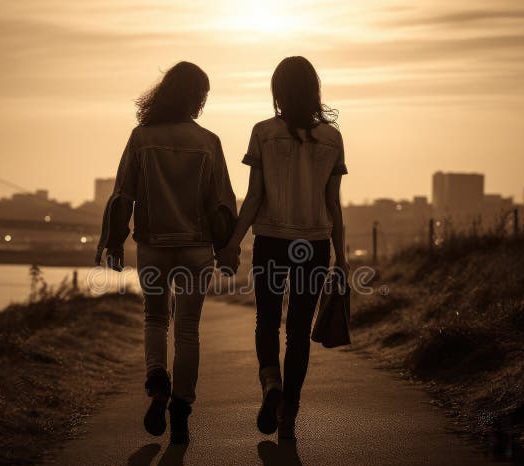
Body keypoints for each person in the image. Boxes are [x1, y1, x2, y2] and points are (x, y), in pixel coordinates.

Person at [97, 61, 237, 445]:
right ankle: (181, 407)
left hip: (153, 247)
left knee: (155, 319)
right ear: (198, 97)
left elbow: (122, 195)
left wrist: (112, 242)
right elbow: (223, 205)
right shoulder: (209, 141)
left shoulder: (142, 138)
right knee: (188, 329)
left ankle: (157, 380)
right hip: (196, 249)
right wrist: (227, 251)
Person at [219, 56, 349, 440]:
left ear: (278, 91)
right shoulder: (332, 138)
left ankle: (270, 383)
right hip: (314, 244)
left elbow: (254, 197)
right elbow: (333, 204)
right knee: (297, 331)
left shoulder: (262, 132)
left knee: (266, 321)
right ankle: (288, 411)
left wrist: (231, 243)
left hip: (271, 241)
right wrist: (341, 256)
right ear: (314, 90)